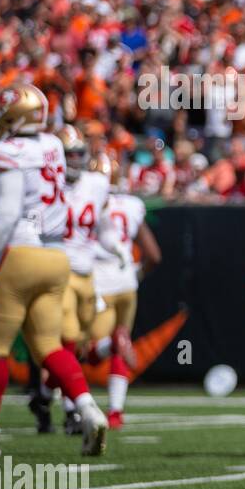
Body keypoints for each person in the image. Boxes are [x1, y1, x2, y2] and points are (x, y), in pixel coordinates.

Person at [0, 85, 109, 458]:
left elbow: (7, 213)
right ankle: (87, 410)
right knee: (49, 346)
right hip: (56, 256)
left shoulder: (4, 153)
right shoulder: (52, 146)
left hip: (18, 251)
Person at [90, 157, 160, 427]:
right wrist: (135, 275)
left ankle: (70, 408)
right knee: (121, 338)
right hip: (126, 281)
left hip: (96, 278)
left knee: (81, 347)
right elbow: (154, 256)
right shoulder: (132, 205)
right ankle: (116, 412)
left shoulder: (90, 200)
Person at [56, 124, 113, 435]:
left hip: (88, 272)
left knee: (78, 344)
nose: (75, 159)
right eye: (69, 154)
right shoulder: (47, 182)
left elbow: (103, 227)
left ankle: (48, 390)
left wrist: (115, 248)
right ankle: (72, 409)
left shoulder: (96, 182)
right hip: (59, 270)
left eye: (79, 153)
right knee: (64, 339)